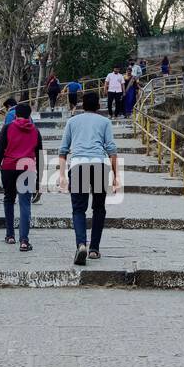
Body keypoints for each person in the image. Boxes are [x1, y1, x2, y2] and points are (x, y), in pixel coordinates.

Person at [58, 90, 120, 265]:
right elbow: (112, 151)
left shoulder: (72, 121)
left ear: (82, 106)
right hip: (100, 166)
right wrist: (116, 176)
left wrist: (62, 175)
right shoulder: (105, 122)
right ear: (98, 106)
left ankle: (81, 245)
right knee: (99, 208)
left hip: (78, 166)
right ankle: (94, 249)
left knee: (79, 209)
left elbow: (63, 151)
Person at [0, 101, 43, 251]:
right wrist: (39, 179)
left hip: (8, 167)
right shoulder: (35, 130)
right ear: (29, 115)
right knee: (25, 203)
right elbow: (40, 156)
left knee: (8, 199)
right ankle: (24, 241)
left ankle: (10, 235)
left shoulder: (8, 127)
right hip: (27, 168)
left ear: (15, 115)